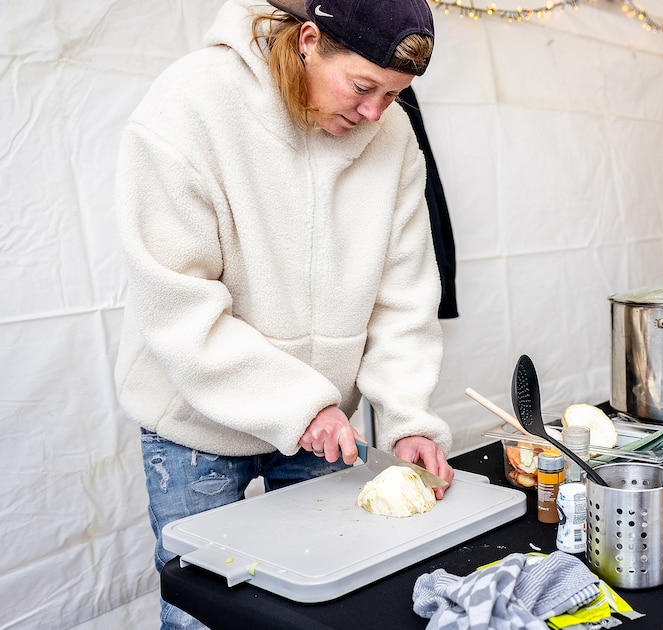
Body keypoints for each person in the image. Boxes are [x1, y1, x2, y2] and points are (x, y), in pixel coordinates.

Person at [112, 0, 453, 626]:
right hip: (195, 423)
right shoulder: (189, 107)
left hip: (326, 429)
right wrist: (298, 403)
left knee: (321, 608)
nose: (376, 113)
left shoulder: (393, 134)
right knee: (205, 615)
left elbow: (403, 298)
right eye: (363, 87)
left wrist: (407, 420)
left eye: (394, 95)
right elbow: (178, 303)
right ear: (307, 40)